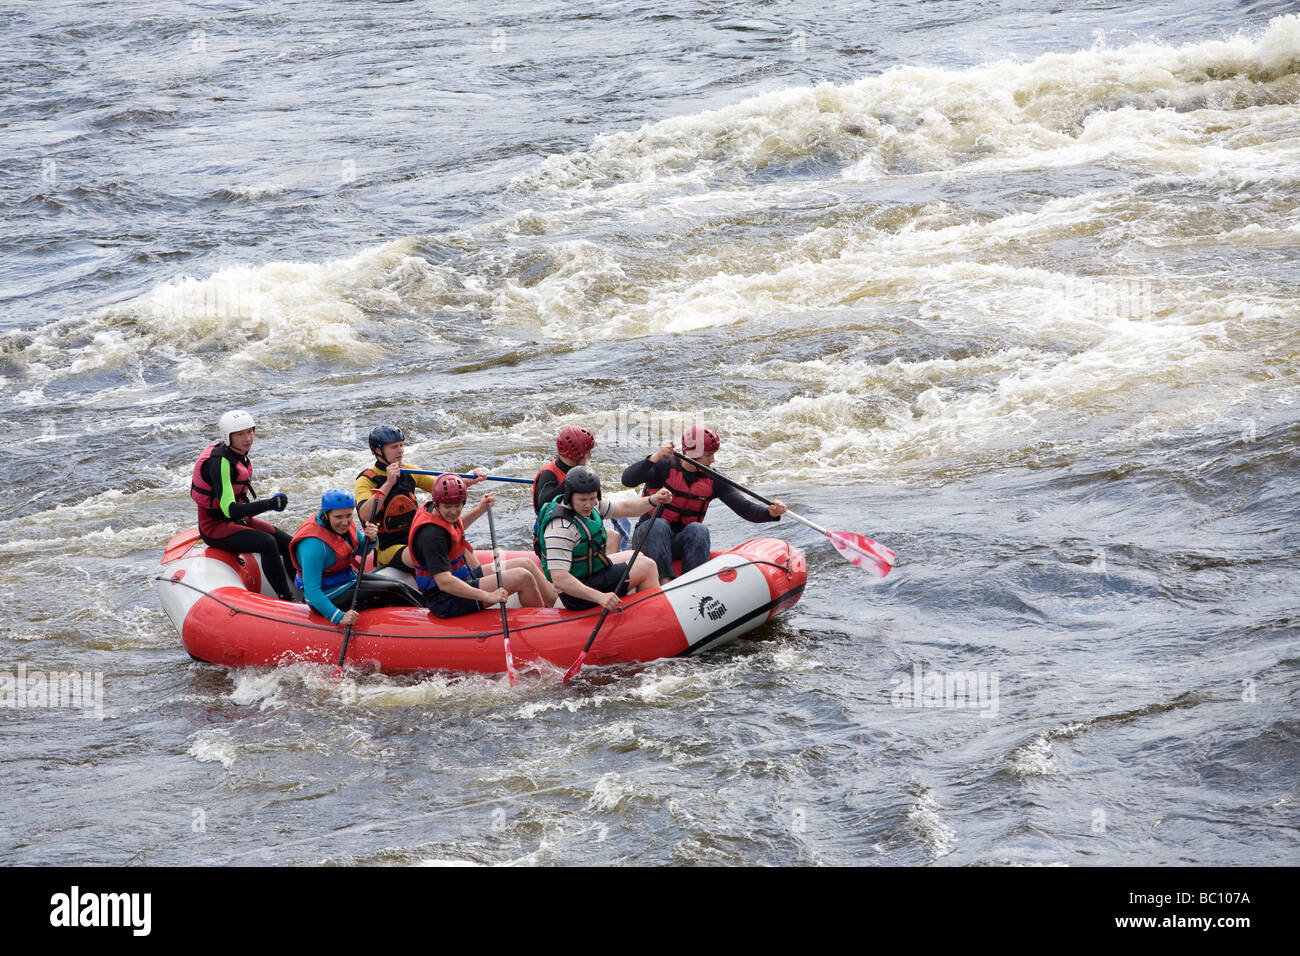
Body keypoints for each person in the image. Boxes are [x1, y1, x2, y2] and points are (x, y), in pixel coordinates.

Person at [620, 425, 787, 585]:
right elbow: (627, 479)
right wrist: (655, 457)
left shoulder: (714, 480)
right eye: (708, 455)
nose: (712, 460)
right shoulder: (664, 467)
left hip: (678, 543)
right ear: (692, 453)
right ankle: (664, 584)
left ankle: (693, 582)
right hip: (647, 539)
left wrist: (770, 513)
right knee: (659, 524)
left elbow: (746, 509)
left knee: (698, 529)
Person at [409, 474, 559, 618]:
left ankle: (558, 606)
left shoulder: (439, 513)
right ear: (437, 503)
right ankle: (541, 623)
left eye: (457, 506)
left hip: (464, 577)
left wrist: (480, 509)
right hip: (446, 599)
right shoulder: (431, 536)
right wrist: (489, 596)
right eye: (448, 507)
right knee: (522, 577)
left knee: (526, 564)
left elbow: (455, 528)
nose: (453, 511)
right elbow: (444, 582)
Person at [190, 409, 295, 601]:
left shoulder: (239, 454)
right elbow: (229, 509)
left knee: (290, 544)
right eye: (240, 434)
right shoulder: (219, 463)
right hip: (214, 527)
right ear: (227, 437)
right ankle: (286, 598)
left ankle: (307, 593)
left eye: (250, 431)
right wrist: (269, 504)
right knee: (267, 543)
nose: (248, 438)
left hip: (238, 521)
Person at [536, 466, 672, 611]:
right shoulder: (561, 528)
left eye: (593, 498)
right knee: (647, 566)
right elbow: (560, 580)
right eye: (582, 500)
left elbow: (624, 508)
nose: (588, 505)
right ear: (569, 496)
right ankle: (655, 614)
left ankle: (641, 609)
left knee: (637, 555)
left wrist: (653, 500)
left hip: (589, 573)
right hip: (575, 595)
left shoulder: (591, 507)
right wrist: (600, 597)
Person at [354, 425, 486, 572]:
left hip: (417, 536)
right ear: (378, 451)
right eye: (394, 447)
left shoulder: (409, 470)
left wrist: (469, 480)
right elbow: (365, 514)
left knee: (457, 542)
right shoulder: (366, 479)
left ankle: (480, 581)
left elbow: (443, 487)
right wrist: (389, 483)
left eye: (402, 445)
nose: (401, 450)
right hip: (389, 546)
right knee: (428, 552)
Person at [289, 489, 425, 627]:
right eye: (338, 517)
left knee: (399, 585)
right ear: (325, 514)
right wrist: (339, 617)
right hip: (329, 595)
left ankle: (429, 608)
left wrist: (371, 539)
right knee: (393, 591)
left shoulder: (345, 524)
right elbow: (312, 592)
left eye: (348, 515)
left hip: (346, 579)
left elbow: (361, 550)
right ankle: (427, 620)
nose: (344, 522)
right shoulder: (313, 545)